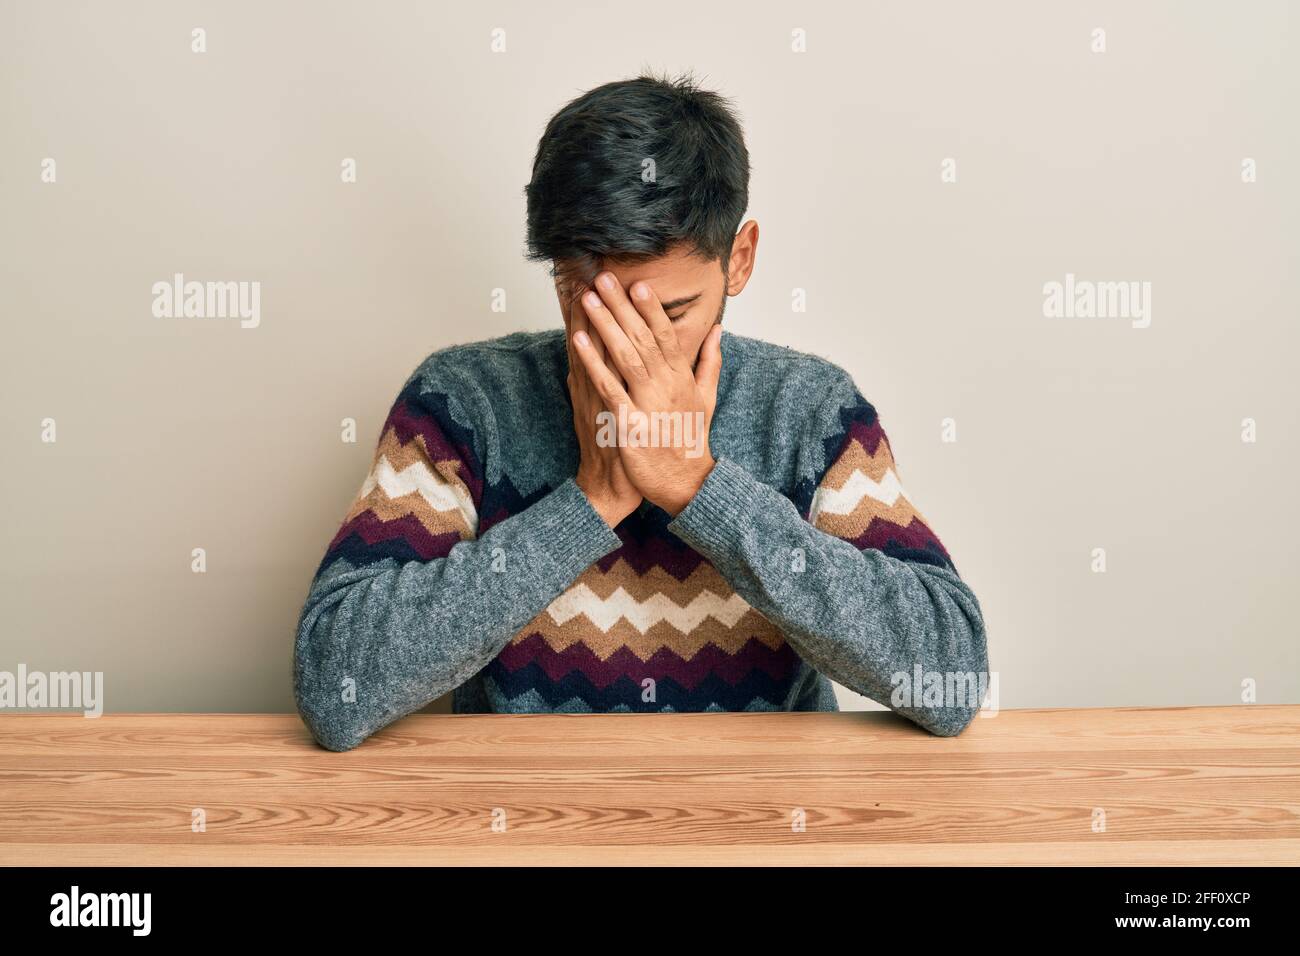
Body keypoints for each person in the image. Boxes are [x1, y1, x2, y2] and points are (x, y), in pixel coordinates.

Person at [293, 72, 990, 751]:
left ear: (739, 261)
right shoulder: (463, 403)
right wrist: (589, 503)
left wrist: (700, 488)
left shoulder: (807, 411)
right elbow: (334, 686)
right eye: (587, 304)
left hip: (764, 827)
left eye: (671, 311)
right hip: (523, 827)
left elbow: (953, 678)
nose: (626, 347)